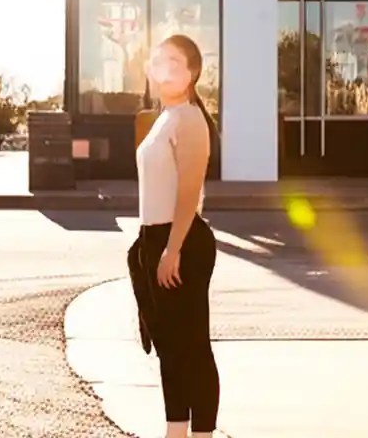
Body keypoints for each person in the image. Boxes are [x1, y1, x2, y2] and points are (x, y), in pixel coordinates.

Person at [126, 34, 221, 438]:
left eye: (176, 62)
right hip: (156, 239)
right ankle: (176, 430)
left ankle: (202, 433)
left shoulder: (189, 119)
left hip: (180, 241)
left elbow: (189, 191)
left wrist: (172, 248)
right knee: (169, 347)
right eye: (160, 60)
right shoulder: (163, 118)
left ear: (193, 73)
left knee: (192, 346)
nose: (165, 68)